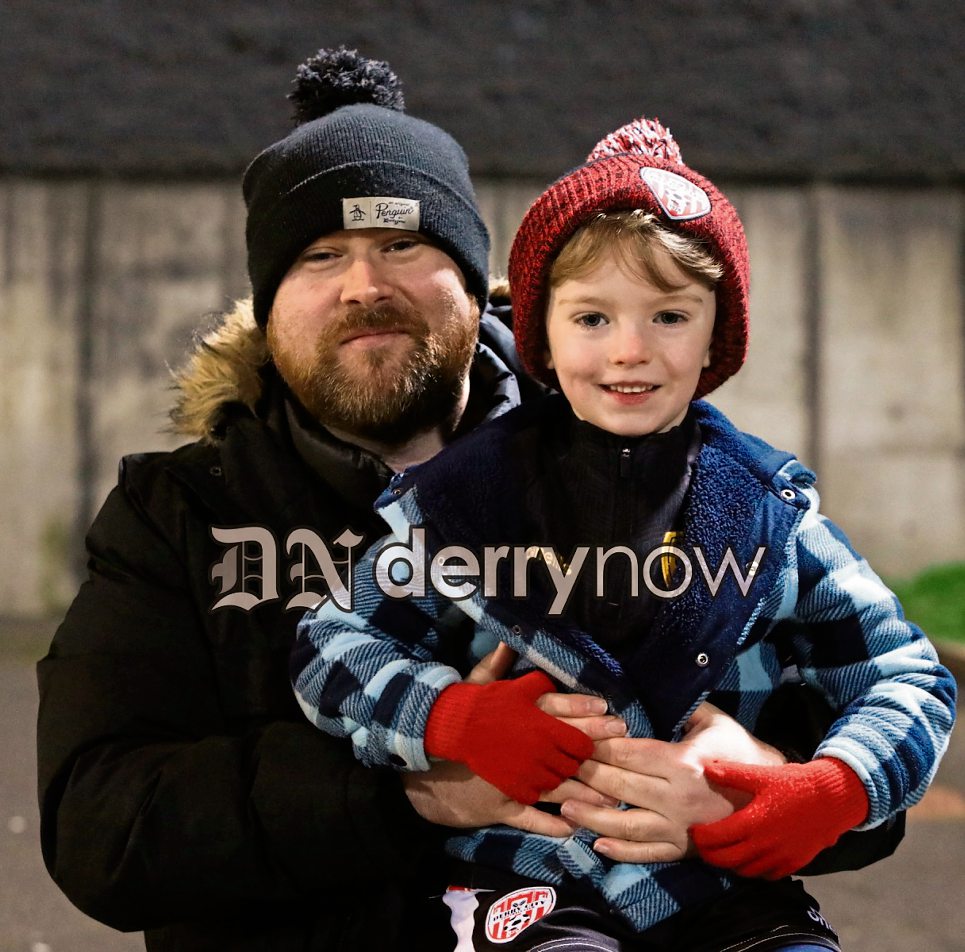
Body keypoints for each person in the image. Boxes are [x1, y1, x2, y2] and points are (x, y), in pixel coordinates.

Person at [35, 46, 911, 951]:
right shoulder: (179, 513)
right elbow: (102, 833)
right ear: (267, 299)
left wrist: (772, 785)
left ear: (470, 277)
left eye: (402, 244)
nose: (363, 285)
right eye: (319, 255)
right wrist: (415, 784)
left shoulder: (660, 470)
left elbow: (864, 715)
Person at [291, 114, 957, 950]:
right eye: (592, 319)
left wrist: (831, 788)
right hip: (523, 877)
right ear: (539, 330)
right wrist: (451, 716)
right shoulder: (462, 501)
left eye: (670, 317)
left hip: (716, 874)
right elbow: (329, 649)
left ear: (719, 330)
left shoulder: (769, 512)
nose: (630, 351)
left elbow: (904, 676)